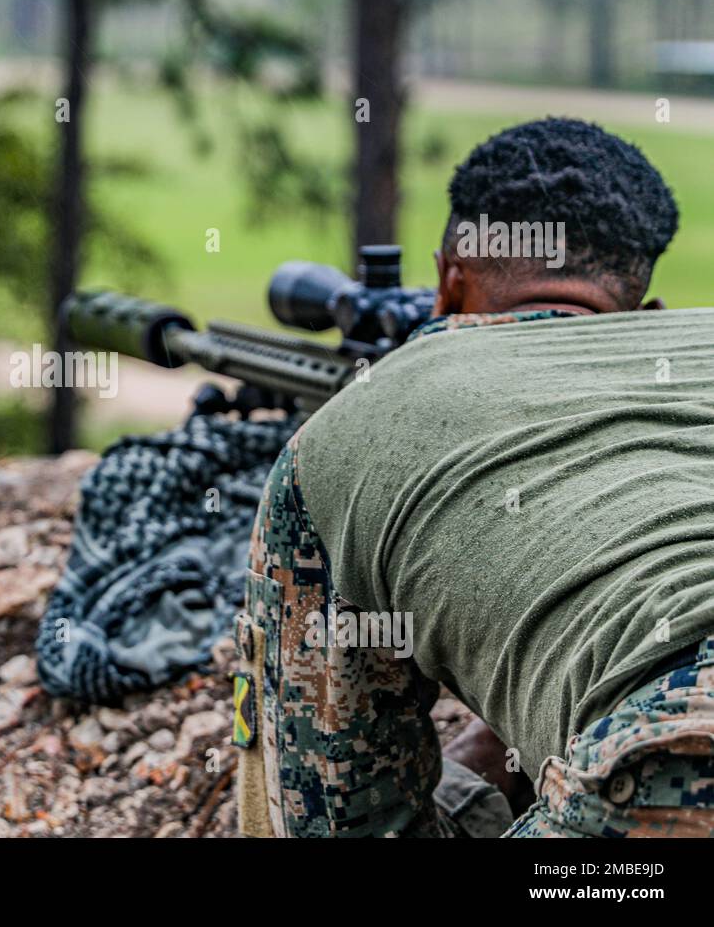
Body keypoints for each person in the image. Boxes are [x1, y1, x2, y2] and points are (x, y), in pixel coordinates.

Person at [233, 116, 714, 838]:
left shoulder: (348, 433)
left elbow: (339, 815)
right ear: (644, 316)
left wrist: (473, 790)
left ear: (448, 285)